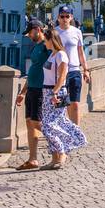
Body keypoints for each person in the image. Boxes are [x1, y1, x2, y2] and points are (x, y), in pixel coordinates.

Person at [39, 26, 87, 168]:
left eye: (45, 40)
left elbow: (62, 76)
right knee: (57, 122)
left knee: (48, 126)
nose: (44, 43)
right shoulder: (52, 54)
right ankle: (55, 159)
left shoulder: (61, 55)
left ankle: (65, 147)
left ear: (51, 40)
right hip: (47, 92)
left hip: (55, 93)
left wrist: (54, 92)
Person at [14, 19, 51, 169]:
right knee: (30, 122)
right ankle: (33, 159)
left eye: (30, 32)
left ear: (37, 29)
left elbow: (56, 61)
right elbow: (32, 72)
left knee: (37, 121)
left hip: (41, 89)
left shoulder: (46, 45)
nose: (28, 36)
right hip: (32, 88)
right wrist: (23, 92)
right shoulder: (36, 47)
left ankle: (58, 141)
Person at [54, 5, 90, 126]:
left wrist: (85, 69)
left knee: (74, 103)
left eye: (67, 16)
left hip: (74, 71)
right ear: (58, 17)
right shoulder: (54, 33)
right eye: (62, 16)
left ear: (71, 17)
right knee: (61, 105)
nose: (64, 18)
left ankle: (76, 131)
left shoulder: (77, 32)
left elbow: (81, 52)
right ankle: (63, 132)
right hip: (59, 73)